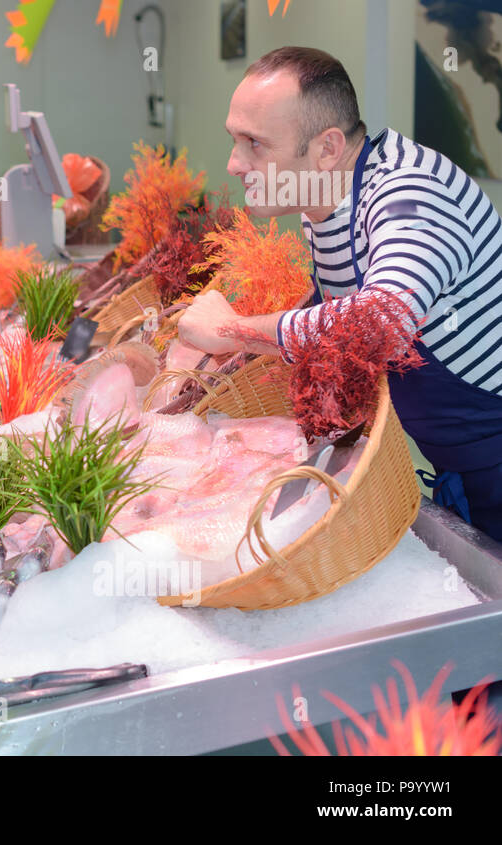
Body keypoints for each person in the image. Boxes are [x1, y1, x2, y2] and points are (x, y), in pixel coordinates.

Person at [179, 46, 502, 542]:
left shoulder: (410, 193)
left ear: (327, 148)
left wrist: (232, 333)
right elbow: (338, 311)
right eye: (234, 140)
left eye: (255, 144)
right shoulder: (325, 202)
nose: (235, 164)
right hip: (463, 466)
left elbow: (379, 323)